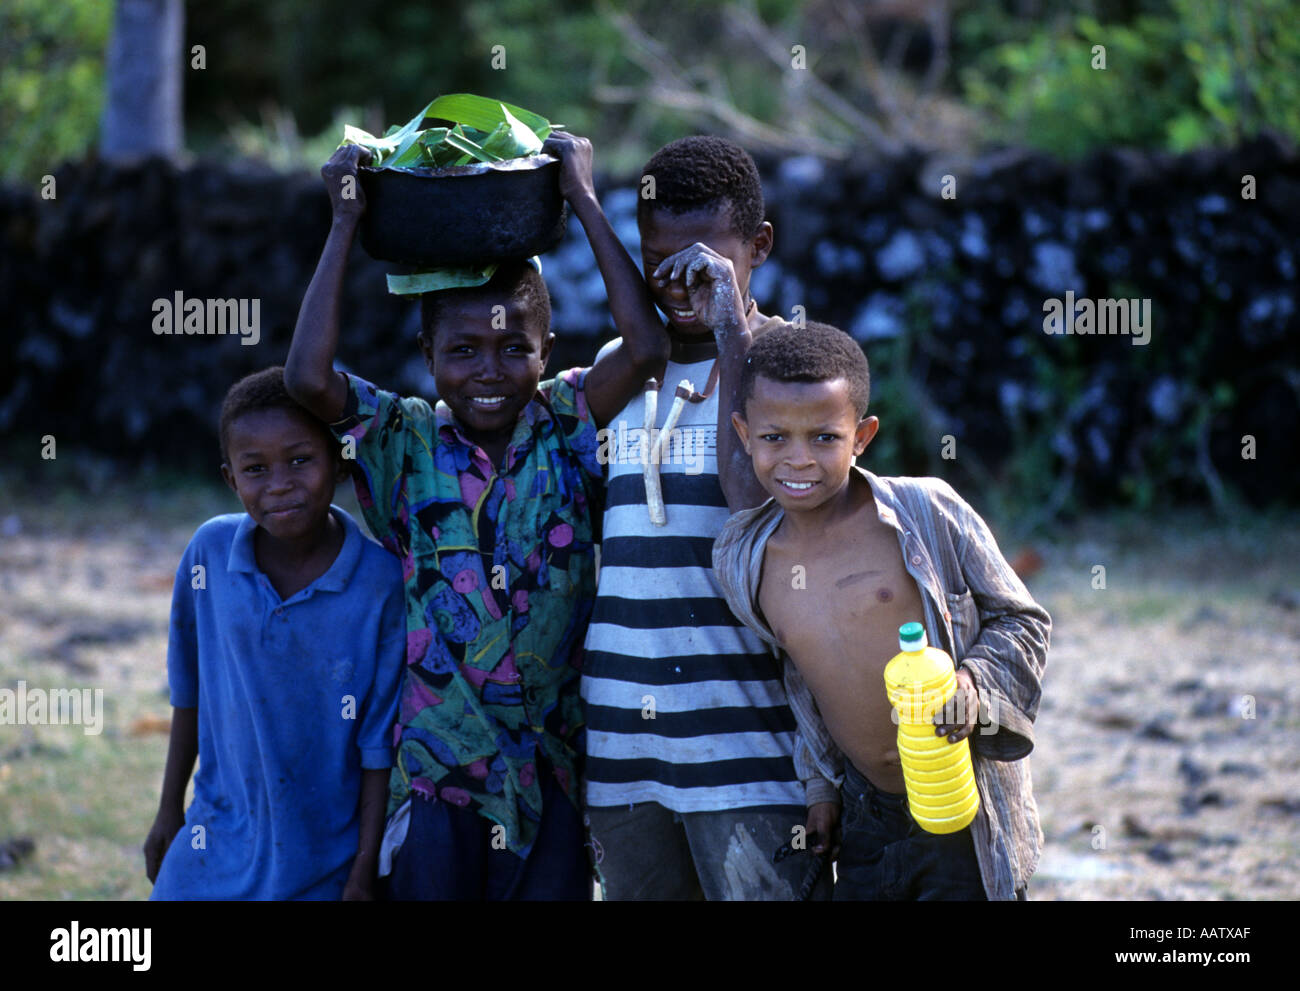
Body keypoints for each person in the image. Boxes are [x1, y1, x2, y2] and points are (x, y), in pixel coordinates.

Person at [283, 133, 668, 899]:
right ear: (427, 354)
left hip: (552, 766)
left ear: (546, 350)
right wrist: (344, 222)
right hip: (439, 775)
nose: (488, 371)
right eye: (462, 349)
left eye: (511, 347)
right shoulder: (402, 439)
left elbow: (649, 344)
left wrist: (585, 199)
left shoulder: (564, 418)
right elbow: (306, 376)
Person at [712, 319, 1052, 900]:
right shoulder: (744, 559)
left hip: (960, 803)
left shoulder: (924, 510)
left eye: (824, 437)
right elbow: (803, 676)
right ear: (743, 434)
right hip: (864, 813)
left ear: (862, 435)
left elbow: (1023, 619)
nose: (798, 460)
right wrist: (820, 788)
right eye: (774, 438)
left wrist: (972, 682)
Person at [580, 135, 836, 900]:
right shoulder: (624, 368)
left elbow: (755, 505)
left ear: (758, 246)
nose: (680, 281)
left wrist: (730, 327)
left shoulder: (794, 371)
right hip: (624, 748)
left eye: (704, 260)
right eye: (658, 260)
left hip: (749, 749)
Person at [144, 366, 405, 900]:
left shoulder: (381, 583)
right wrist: (169, 809)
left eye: (300, 460)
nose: (280, 483)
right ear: (230, 479)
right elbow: (187, 691)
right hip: (213, 840)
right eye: (256, 469)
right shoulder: (209, 555)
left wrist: (364, 866)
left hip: (321, 859)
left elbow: (378, 742)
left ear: (337, 460)